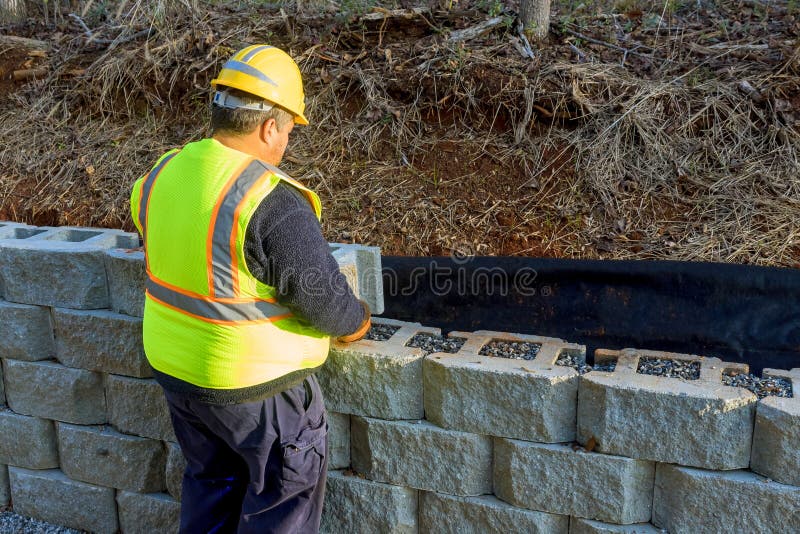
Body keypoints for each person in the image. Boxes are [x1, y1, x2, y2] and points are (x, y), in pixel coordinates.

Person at [130, 45, 370, 533]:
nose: (285, 144)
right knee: (281, 505)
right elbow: (323, 301)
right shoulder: (269, 199)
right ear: (268, 127)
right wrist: (357, 322)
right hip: (257, 394)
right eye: (287, 131)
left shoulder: (160, 175)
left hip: (178, 375)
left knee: (210, 487)